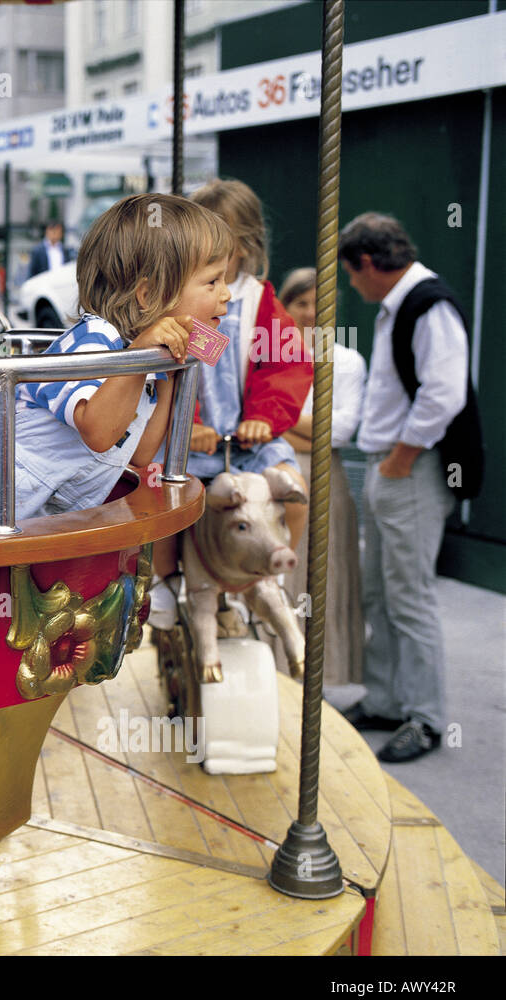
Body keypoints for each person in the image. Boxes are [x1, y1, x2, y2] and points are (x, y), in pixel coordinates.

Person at [0, 194, 232, 529]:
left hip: (35, 508)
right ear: (148, 294)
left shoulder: (143, 359)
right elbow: (98, 432)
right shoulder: (96, 340)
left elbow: (139, 453)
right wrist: (141, 357)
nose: (226, 293)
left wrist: (174, 370)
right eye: (213, 281)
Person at [336, 213, 474, 762]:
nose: (352, 284)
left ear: (369, 262)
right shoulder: (403, 304)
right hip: (390, 466)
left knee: (410, 596)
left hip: (409, 469)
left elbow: (444, 392)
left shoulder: (426, 302)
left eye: (351, 274)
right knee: (380, 590)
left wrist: (400, 457)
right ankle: (388, 698)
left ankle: (425, 716)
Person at [150, 179, 314, 627]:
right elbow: (179, 367)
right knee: (163, 496)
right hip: (191, 439)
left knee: (295, 494)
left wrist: (265, 417)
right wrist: (190, 423)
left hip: (248, 440)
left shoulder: (260, 301)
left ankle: (274, 569)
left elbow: (285, 364)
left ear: (242, 245)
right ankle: (164, 581)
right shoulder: (181, 295)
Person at [277, 267, 366, 685]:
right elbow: (253, 415)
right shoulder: (268, 356)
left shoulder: (347, 361)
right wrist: (301, 424)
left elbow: (340, 431)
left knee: (320, 577)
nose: (311, 312)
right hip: (277, 473)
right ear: (285, 306)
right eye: (301, 302)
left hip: (324, 479)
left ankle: (318, 682)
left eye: (320, 302)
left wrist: (282, 418)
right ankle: (273, 672)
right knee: (277, 577)